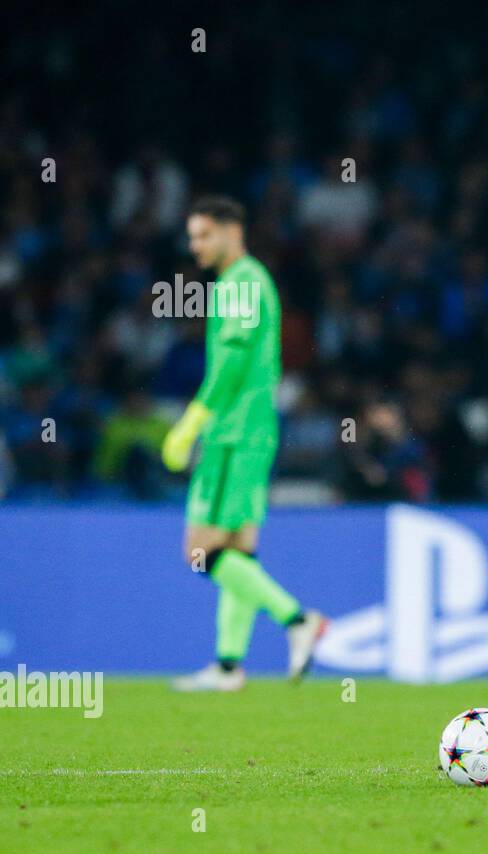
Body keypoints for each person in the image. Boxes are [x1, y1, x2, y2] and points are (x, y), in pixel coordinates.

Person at [164, 196, 326, 691]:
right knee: (237, 549)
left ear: (232, 232)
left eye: (203, 235)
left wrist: (193, 419)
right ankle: (228, 666)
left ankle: (297, 619)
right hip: (255, 432)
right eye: (191, 236)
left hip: (232, 434)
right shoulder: (250, 281)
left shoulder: (241, 282)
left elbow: (233, 361)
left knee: (200, 550)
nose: (195, 246)